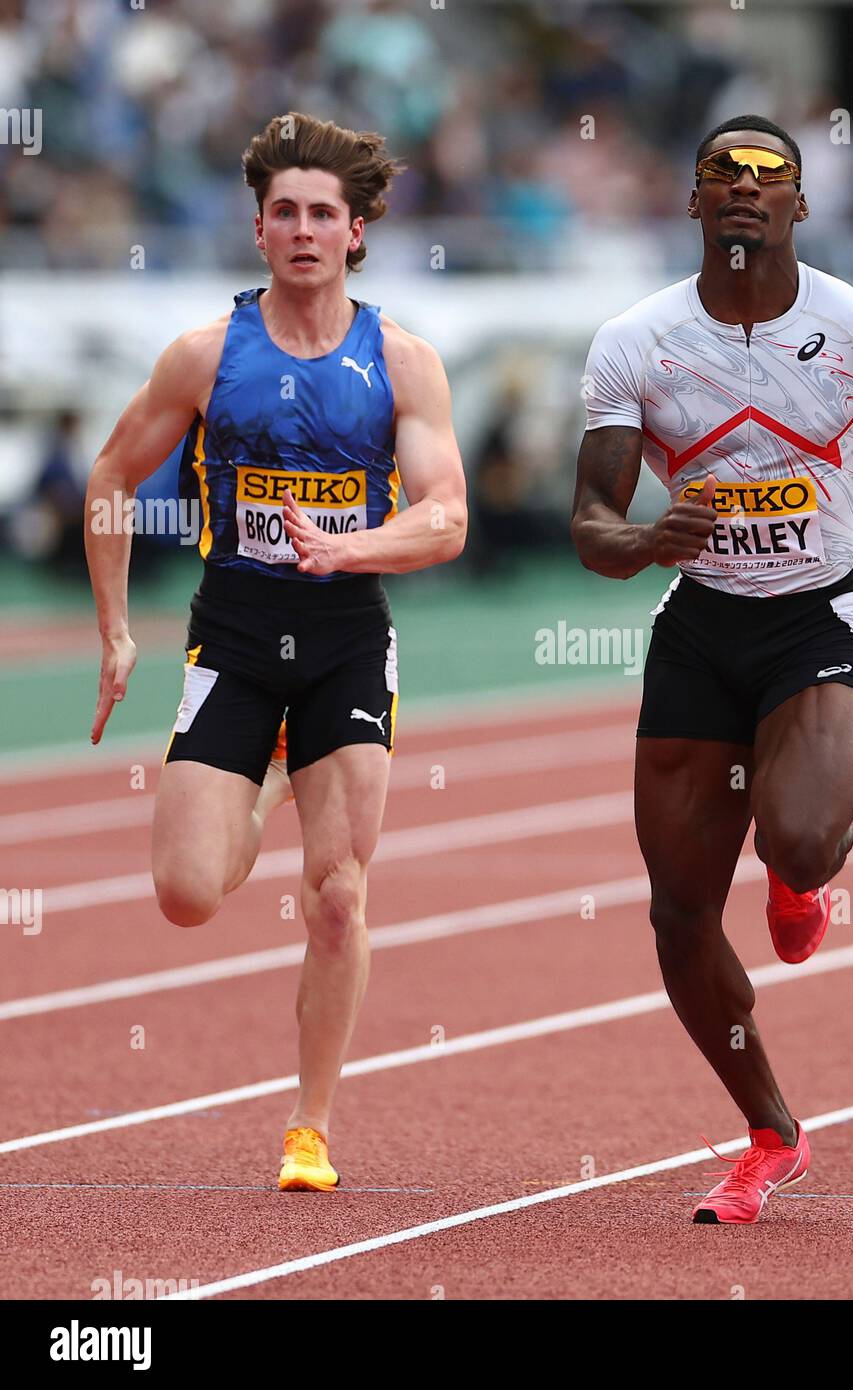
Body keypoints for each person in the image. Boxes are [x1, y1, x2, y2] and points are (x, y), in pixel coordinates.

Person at [571, 115, 853, 1224]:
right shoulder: (635, 342)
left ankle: (798, 876)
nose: (744, 185)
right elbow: (590, 522)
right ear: (692, 200)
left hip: (818, 618)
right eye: (721, 171)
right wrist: (645, 542)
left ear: (799, 202)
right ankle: (771, 1133)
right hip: (701, 629)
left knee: (799, 835)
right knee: (678, 915)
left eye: (767, 172)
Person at [84, 113, 467, 1191]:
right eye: (285, 212)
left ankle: (310, 1127)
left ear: (355, 232)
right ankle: (272, 777)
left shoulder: (401, 361)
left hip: (346, 639)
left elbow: (446, 517)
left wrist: (351, 548)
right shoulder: (207, 355)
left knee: (337, 892)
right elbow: (111, 476)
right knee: (187, 892)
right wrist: (115, 629)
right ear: (258, 230)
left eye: (323, 214)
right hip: (237, 635)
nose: (304, 230)